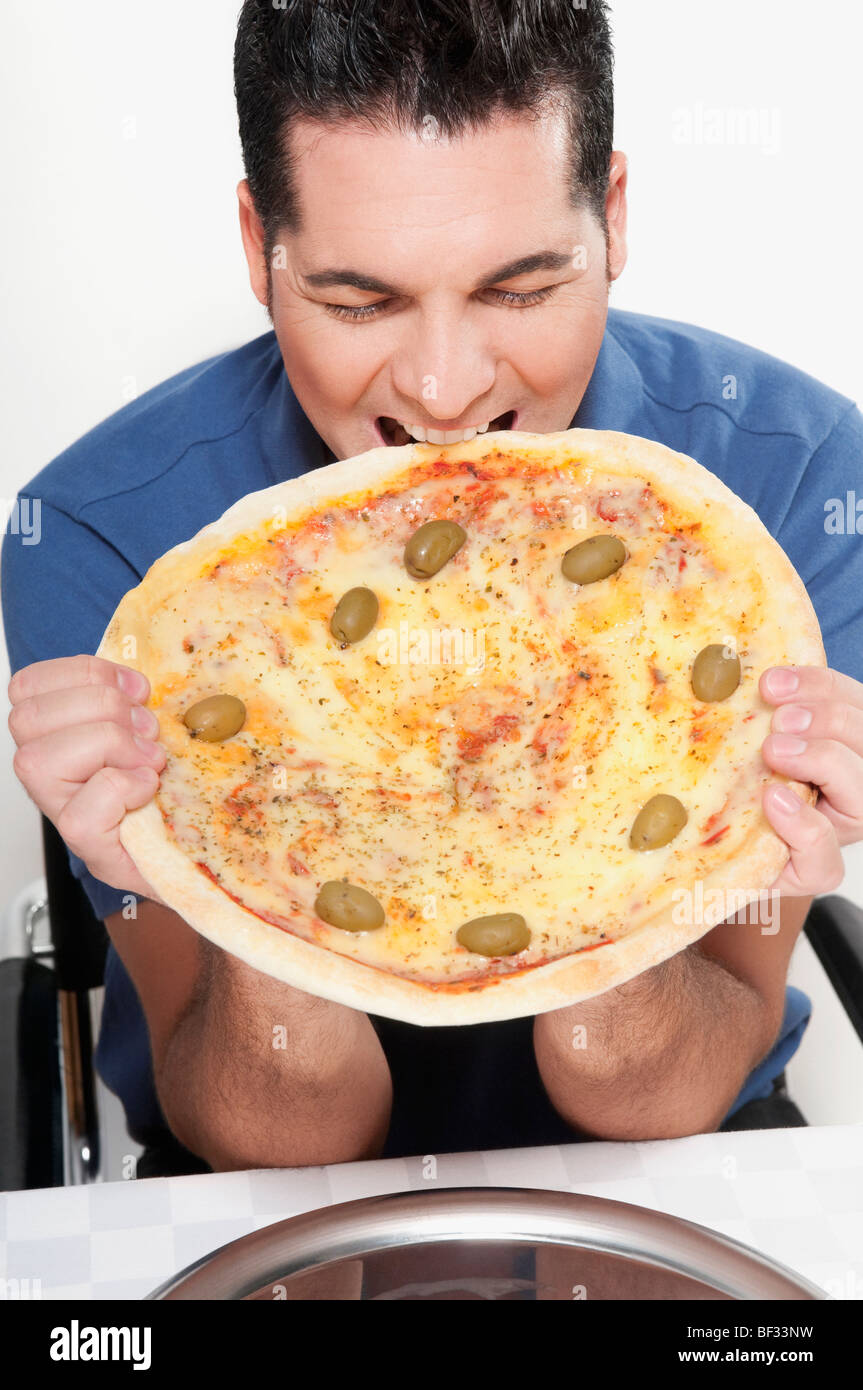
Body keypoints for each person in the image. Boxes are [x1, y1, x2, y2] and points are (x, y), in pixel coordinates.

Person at [4, 1, 863, 1176]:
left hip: (676, 1157)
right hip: (281, 1197)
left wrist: (609, 817)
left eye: (518, 289)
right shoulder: (96, 533)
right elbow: (276, 1135)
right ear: (261, 246)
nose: (445, 389)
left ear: (609, 217)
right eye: (360, 302)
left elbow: (658, 1093)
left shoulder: (794, 478)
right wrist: (237, 842)